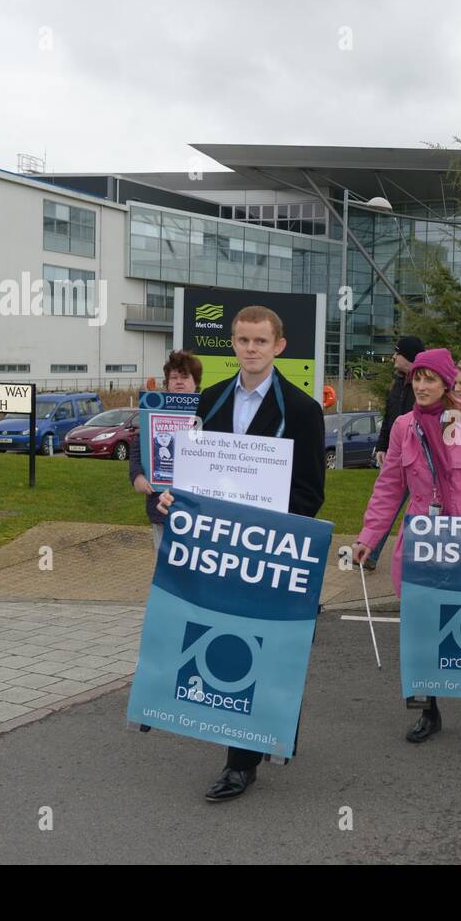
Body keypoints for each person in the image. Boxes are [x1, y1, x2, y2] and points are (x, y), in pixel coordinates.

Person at [156, 306, 326, 802]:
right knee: (222, 639)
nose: (250, 349)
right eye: (241, 340)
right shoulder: (206, 403)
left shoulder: (302, 410)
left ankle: (242, 760)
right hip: (213, 546)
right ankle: (246, 742)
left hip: (265, 546)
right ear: (231, 344)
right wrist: (172, 498)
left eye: (259, 341)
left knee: (262, 644)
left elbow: (310, 491)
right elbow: (187, 475)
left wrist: (255, 517)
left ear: (279, 346)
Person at [351, 349, 461, 742]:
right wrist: (369, 538)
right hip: (421, 541)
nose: (420, 386)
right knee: (421, 629)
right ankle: (429, 710)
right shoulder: (404, 427)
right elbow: (388, 487)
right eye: (416, 379)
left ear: (445, 384)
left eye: (429, 379)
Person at [130, 349, 202, 551]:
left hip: (197, 509)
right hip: (159, 507)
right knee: (163, 567)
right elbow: (137, 450)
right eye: (174, 377)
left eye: (185, 376)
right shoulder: (153, 412)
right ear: (167, 383)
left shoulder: (208, 410)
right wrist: (137, 476)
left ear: (195, 382)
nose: (179, 381)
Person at [364, 336, 425, 571]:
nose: (393, 357)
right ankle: (370, 552)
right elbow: (390, 418)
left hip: (420, 460)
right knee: (387, 503)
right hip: (397, 457)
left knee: (421, 511)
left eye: (397, 352)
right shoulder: (398, 383)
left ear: (407, 356)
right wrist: (382, 446)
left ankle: (419, 559)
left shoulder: (423, 385)